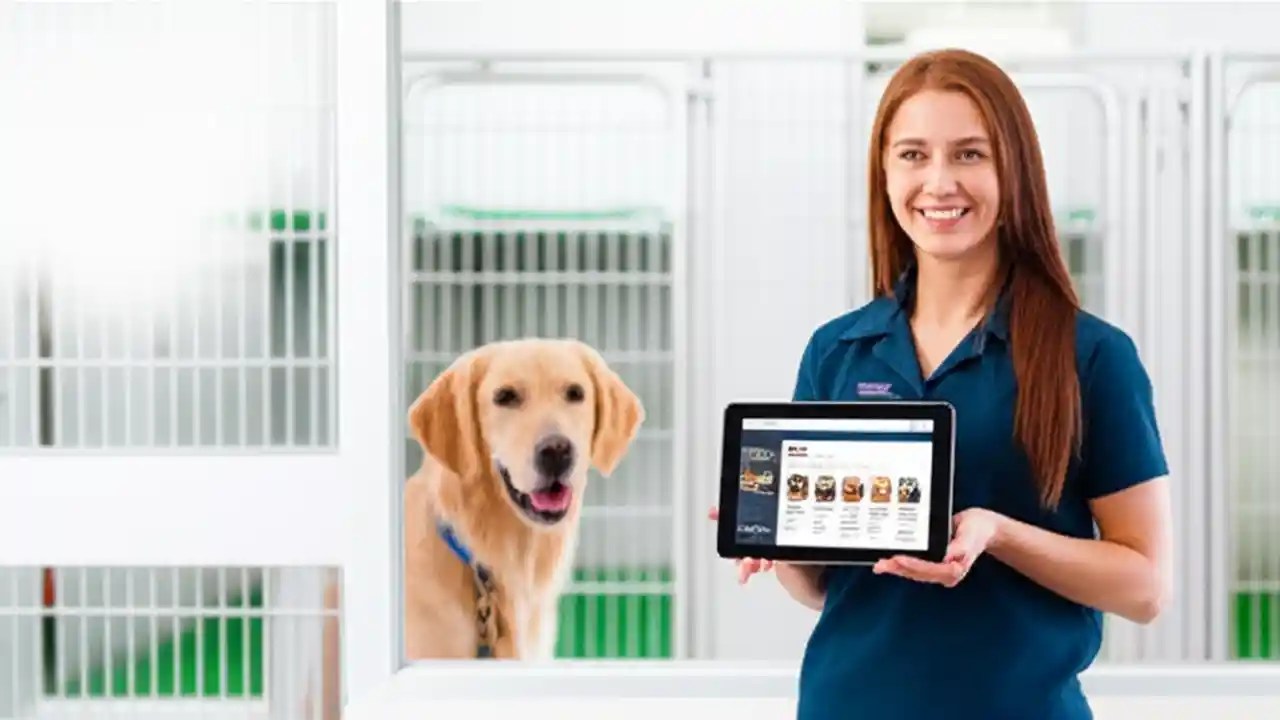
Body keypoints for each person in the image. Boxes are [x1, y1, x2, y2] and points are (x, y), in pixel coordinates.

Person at [712, 48, 1173, 720]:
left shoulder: (1091, 356)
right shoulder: (837, 351)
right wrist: (779, 541)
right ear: (884, 172)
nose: (939, 182)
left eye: (968, 154)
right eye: (912, 155)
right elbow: (827, 591)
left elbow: (1146, 587)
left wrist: (1000, 534)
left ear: (1013, 170)